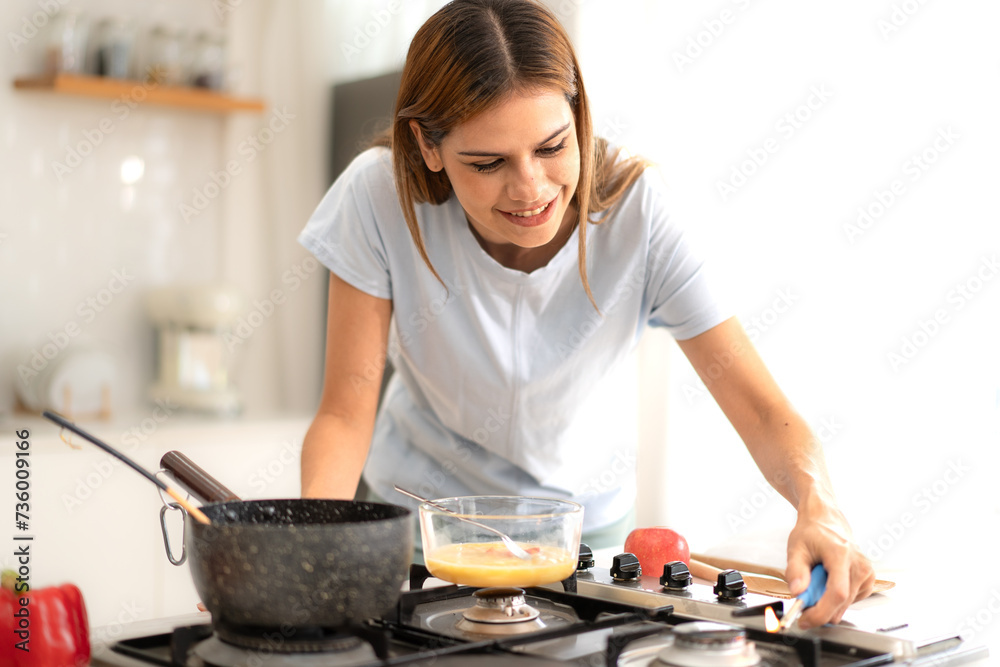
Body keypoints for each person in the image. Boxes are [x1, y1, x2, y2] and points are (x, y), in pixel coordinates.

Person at [298, 0, 875, 629]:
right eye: (487, 163)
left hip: (580, 540)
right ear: (428, 146)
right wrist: (312, 545)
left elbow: (761, 409)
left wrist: (819, 504)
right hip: (421, 525)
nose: (530, 188)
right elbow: (344, 411)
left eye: (552, 146)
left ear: (579, 116)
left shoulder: (640, 213)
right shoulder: (377, 196)